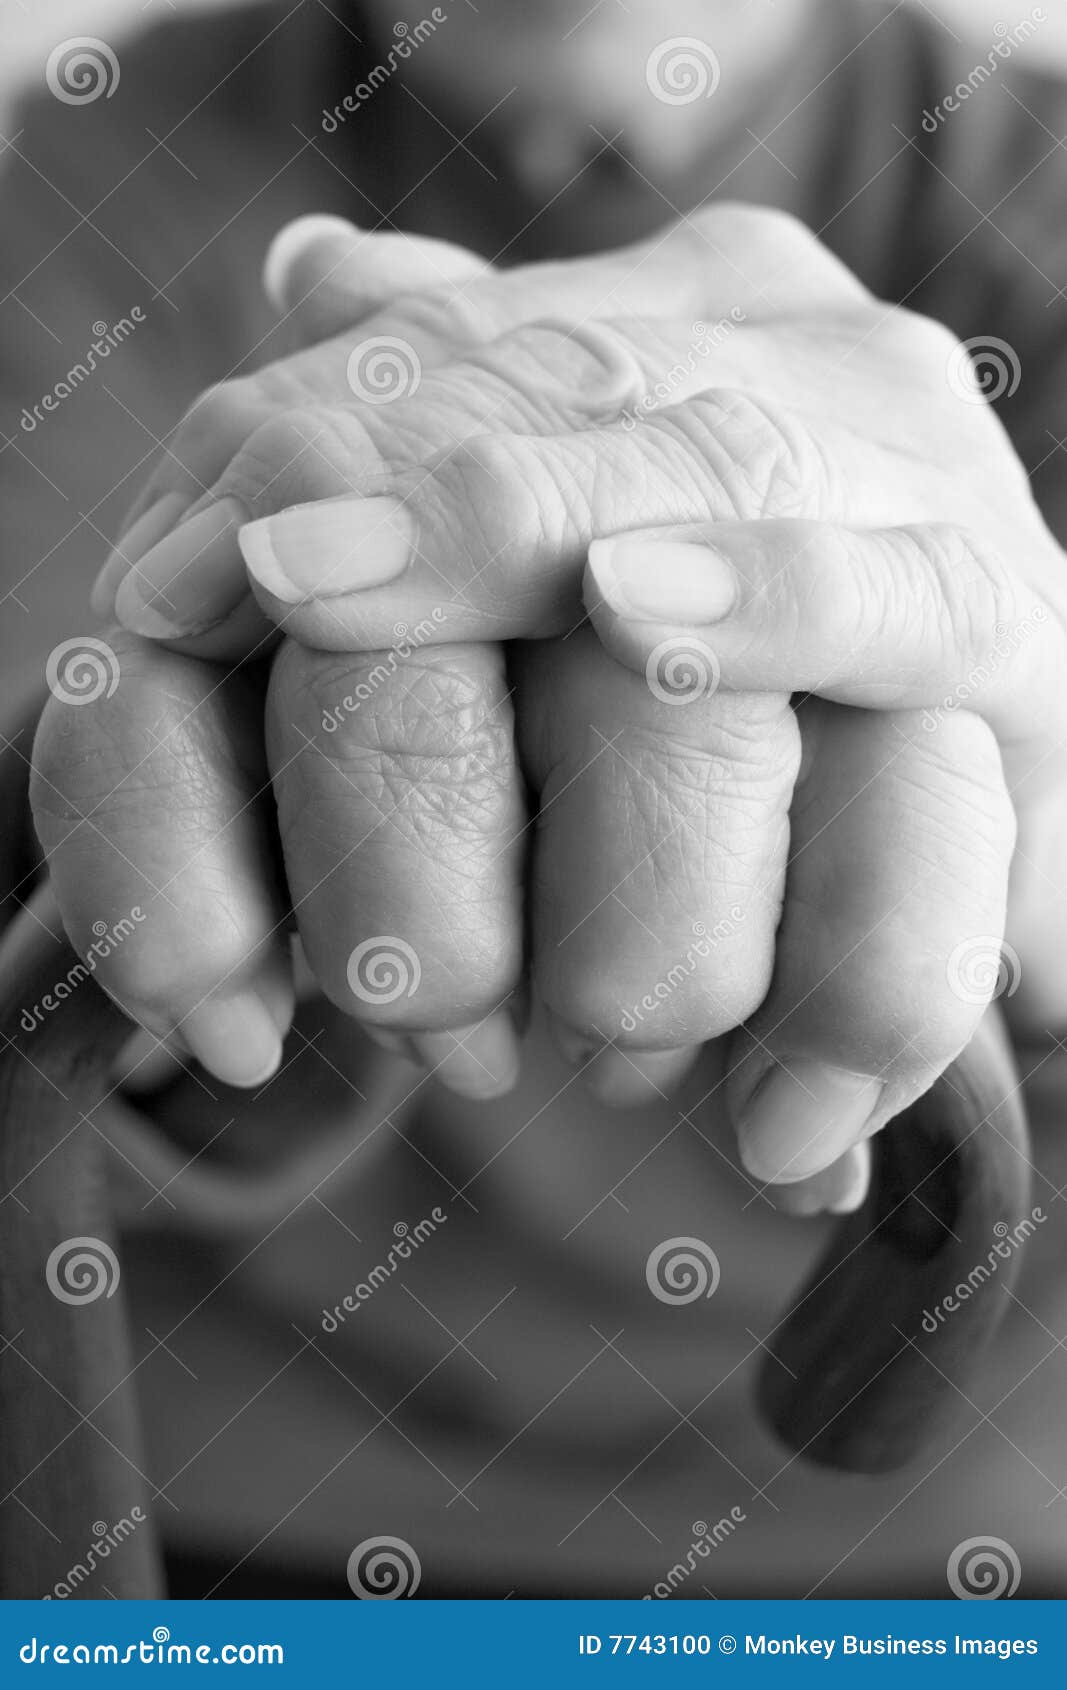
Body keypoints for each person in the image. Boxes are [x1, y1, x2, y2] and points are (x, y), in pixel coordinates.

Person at [3, 0, 1067, 1597]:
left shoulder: (1039, 183)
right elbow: (60, 728)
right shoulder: (106, 157)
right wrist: (179, 825)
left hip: (940, 1538)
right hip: (229, 1493)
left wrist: (1024, 870)